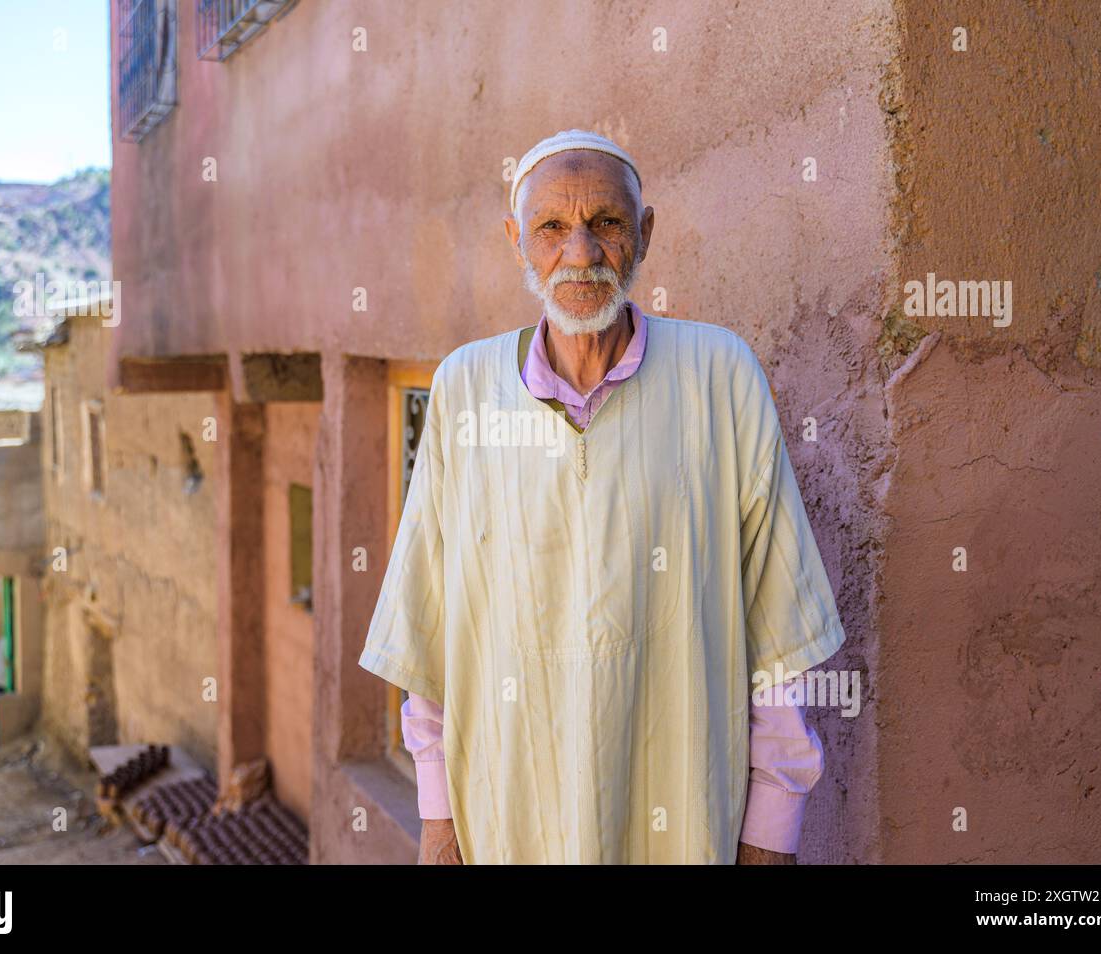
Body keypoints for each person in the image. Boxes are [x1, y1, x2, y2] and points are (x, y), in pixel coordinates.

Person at [358, 130, 847, 864]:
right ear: (517, 241)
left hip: (679, 818)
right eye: (552, 227)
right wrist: (438, 820)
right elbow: (433, 626)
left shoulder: (720, 376)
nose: (580, 253)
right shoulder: (464, 387)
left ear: (644, 234)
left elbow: (776, 632)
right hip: (507, 818)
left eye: (607, 224)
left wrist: (769, 839)